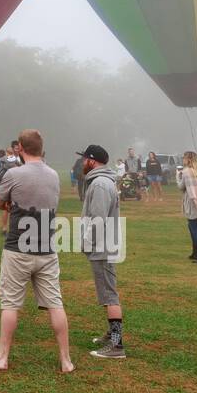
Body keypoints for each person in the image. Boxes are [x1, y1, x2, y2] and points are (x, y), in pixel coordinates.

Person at [0, 130, 73, 374]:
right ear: (41, 148)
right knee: (55, 304)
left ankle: (2, 358)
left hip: (18, 248)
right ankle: (66, 361)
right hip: (46, 248)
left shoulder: (13, 173)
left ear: (20, 149)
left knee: (10, 304)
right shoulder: (54, 175)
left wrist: (10, 203)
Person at [78, 145, 125, 358]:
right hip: (104, 245)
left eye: (84, 159)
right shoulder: (101, 182)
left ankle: (117, 346)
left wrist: (87, 243)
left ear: (92, 160)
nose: (82, 163)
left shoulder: (99, 184)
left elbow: (98, 219)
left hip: (102, 247)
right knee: (107, 293)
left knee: (109, 295)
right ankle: (111, 334)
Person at [177, 151, 197, 263]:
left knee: (194, 228)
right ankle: (195, 253)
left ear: (188, 159)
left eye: (184, 158)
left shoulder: (186, 172)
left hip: (191, 202)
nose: (183, 160)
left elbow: (181, 187)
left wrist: (178, 176)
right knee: (193, 227)